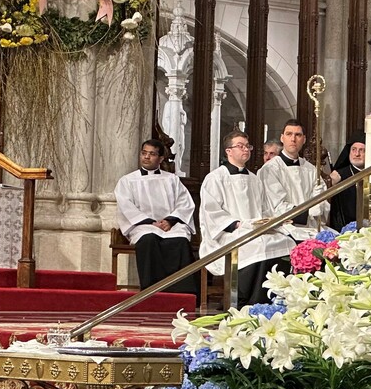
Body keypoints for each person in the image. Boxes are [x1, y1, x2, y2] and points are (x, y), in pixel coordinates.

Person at [199, 131, 293, 307]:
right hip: (229, 233)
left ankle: (273, 298)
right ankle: (245, 299)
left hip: (255, 229)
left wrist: (271, 221)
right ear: (228, 151)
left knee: (285, 242)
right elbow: (210, 212)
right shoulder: (215, 178)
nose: (246, 150)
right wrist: (237, 224)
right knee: (258, 245)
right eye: (240, 146)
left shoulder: (255, 179)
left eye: (247, 146)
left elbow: (264, 208)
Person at [114, 139, 198, 296]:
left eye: (152, 154)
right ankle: (151, 293)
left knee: (179, 241)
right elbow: (126, 207)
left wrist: (170, 220)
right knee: (149, 239)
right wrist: (151, 222)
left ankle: (182, 294)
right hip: (143, 225)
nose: (146, 157)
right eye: (144, 153)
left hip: (170, 225)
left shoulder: (171, 179)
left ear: (160, 159)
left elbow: (184, 204)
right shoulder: (127, 181)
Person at [257, 119, 327, 228]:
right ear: (282, 138)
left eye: (298, 135)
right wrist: (307, 212)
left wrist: (318, 202)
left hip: (311, 225)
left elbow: (321, 196)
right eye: (289, 134)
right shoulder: (270, 169)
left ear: (304, 139)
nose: (293, 139)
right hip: (284, 226)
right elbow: (276, 205)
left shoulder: (311, 169)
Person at [327, 133, 365, 232]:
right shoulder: (339, 175)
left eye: (362, 150)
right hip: (345, 230)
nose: (357, 154)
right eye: (354, 150)